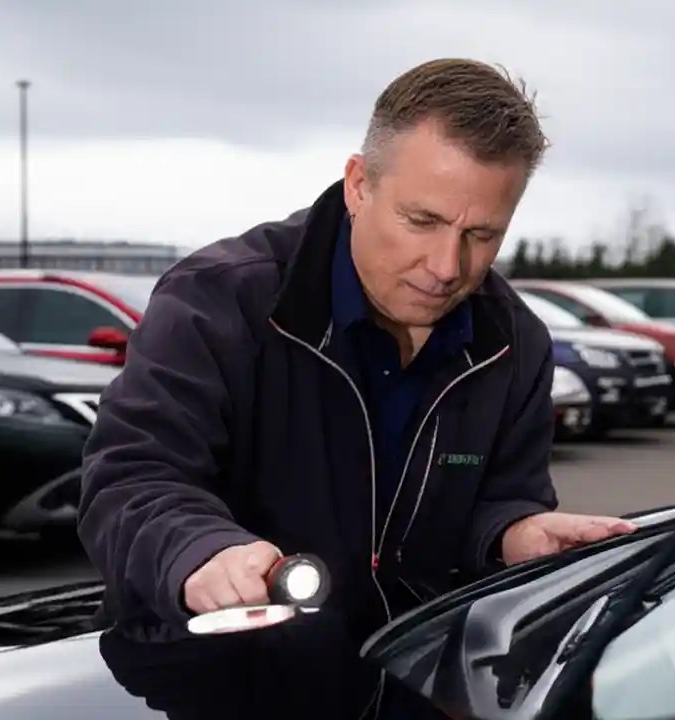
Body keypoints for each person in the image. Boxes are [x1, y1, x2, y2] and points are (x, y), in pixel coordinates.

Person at [78, 57, 637, 719]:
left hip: (418, 695)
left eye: (481, 235)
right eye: (422, 221)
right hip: (226, 689)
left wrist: (515, 534)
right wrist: (203, 550)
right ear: (358, 184)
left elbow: (498, 503)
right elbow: (131, 478)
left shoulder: (515, 345)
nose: (445, 266)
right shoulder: (220, 302)